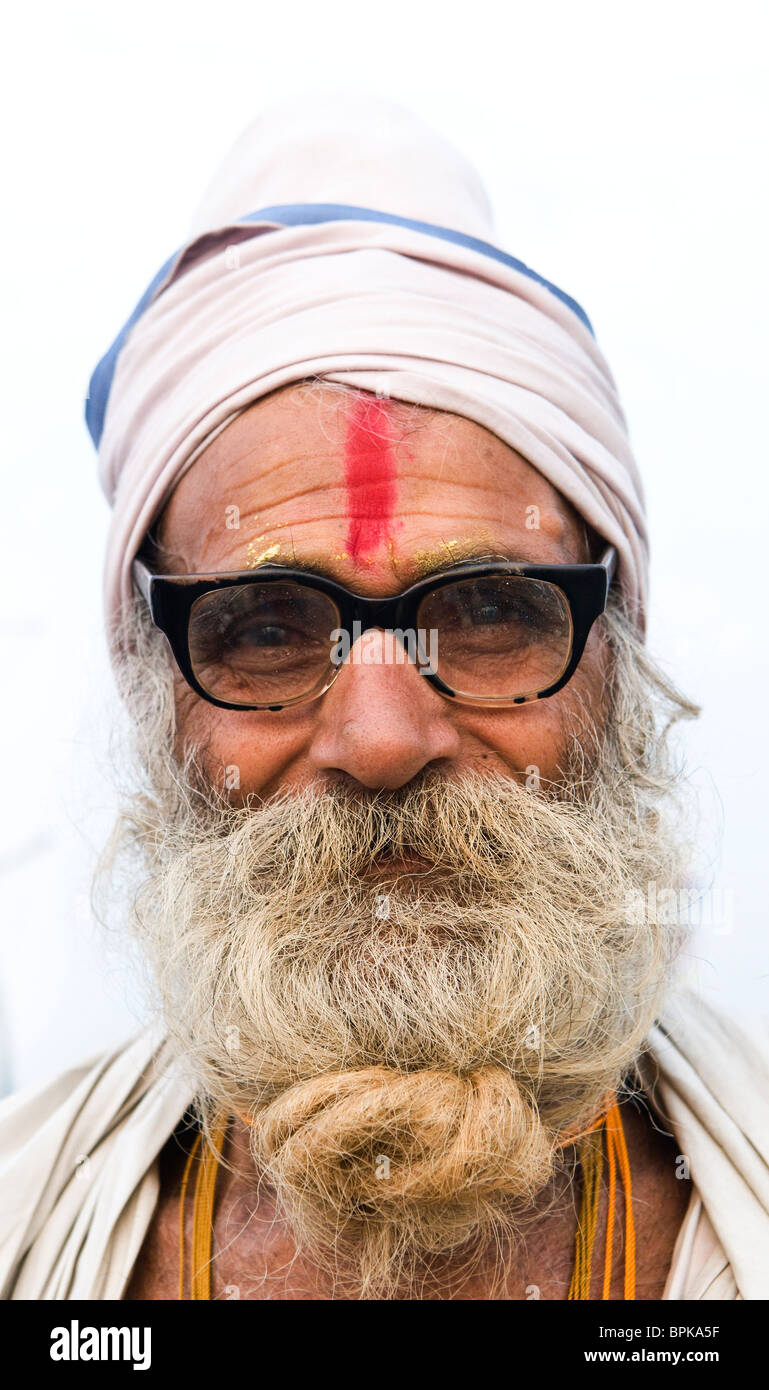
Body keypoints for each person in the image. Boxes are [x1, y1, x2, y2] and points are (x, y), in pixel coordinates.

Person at [1, 93, 767, 1301]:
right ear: (154, 701)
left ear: (618, 661)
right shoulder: (33, 1233)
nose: (380, 737)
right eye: (264, 629)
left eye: (490, 613)